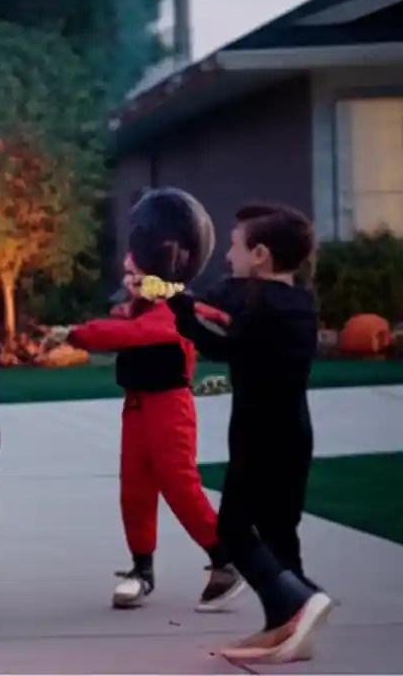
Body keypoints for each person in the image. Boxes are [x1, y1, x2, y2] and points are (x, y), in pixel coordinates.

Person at [47, 188, 242, 612]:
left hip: (169, 409)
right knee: (135, 490)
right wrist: (130, 302)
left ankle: (225, 558)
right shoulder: (144, 306)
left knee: (179, 484)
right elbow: (127, 323)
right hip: (137, 407)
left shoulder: (174, 310)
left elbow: (132, 335)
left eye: (137, 268)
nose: (128, 274)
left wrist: (75, 333)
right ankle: (142, 569)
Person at [157, 202, 333, 664]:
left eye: (234, 247)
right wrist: (183, 303)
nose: (228, 257)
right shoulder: (299, 303)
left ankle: (300, 599)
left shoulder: (251, 298)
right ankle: (286, 629)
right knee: (279, 531)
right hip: (294, 433)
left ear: (259, 254)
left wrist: (169, 295)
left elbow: (211, 335)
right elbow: (230, 340)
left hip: (258, 437)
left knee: (234, 531)